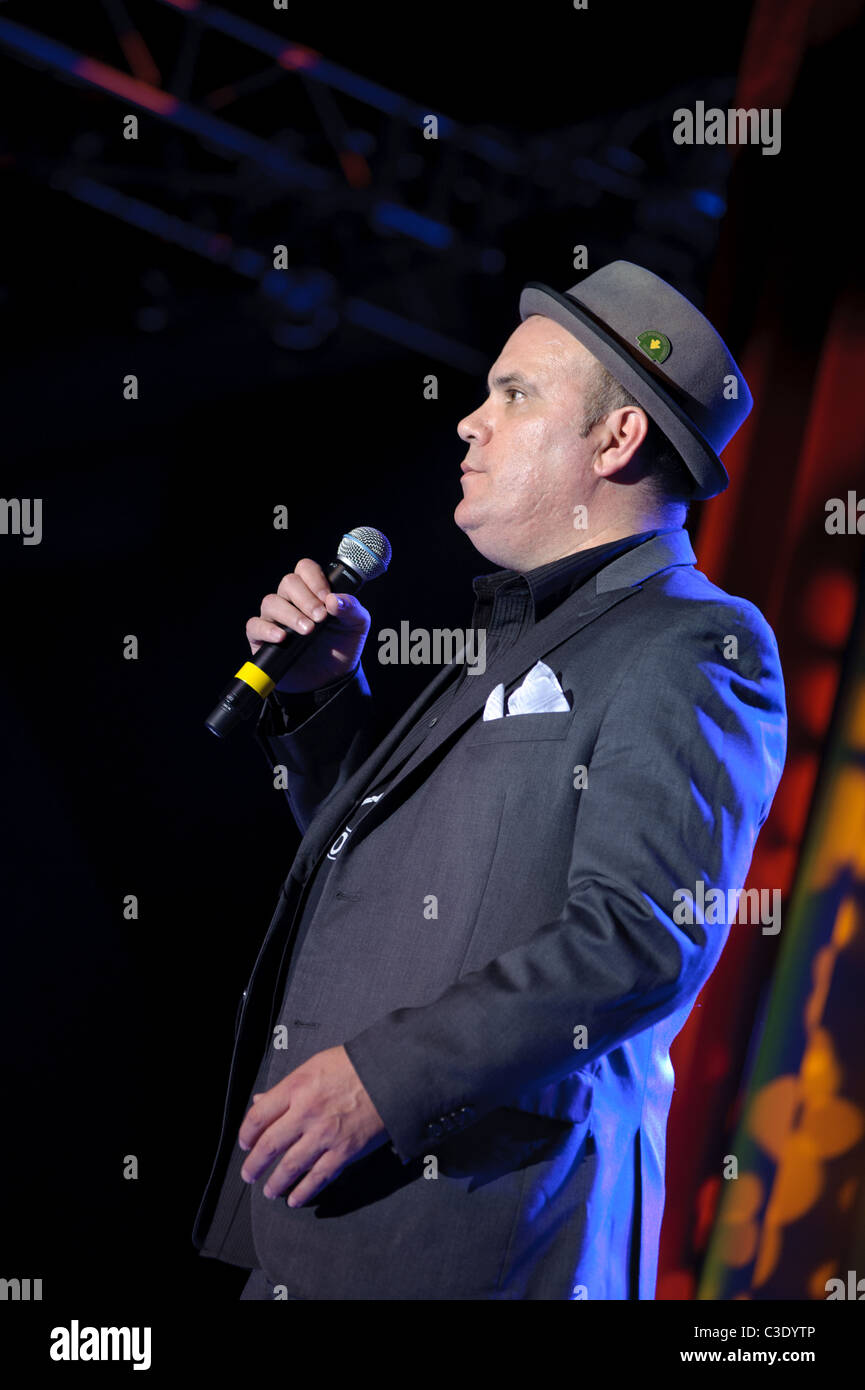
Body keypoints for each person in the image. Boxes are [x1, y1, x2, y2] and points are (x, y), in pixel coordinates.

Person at [192, 260, 787, 1300]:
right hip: (331, 1224)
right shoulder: (512, 634)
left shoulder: (692, 639)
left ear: (616, 439)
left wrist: (386, 1080)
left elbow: (642, 935)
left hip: (476, 1234)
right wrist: (330, 701)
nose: (469, 422)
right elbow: (382, 871)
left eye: (513, 395)